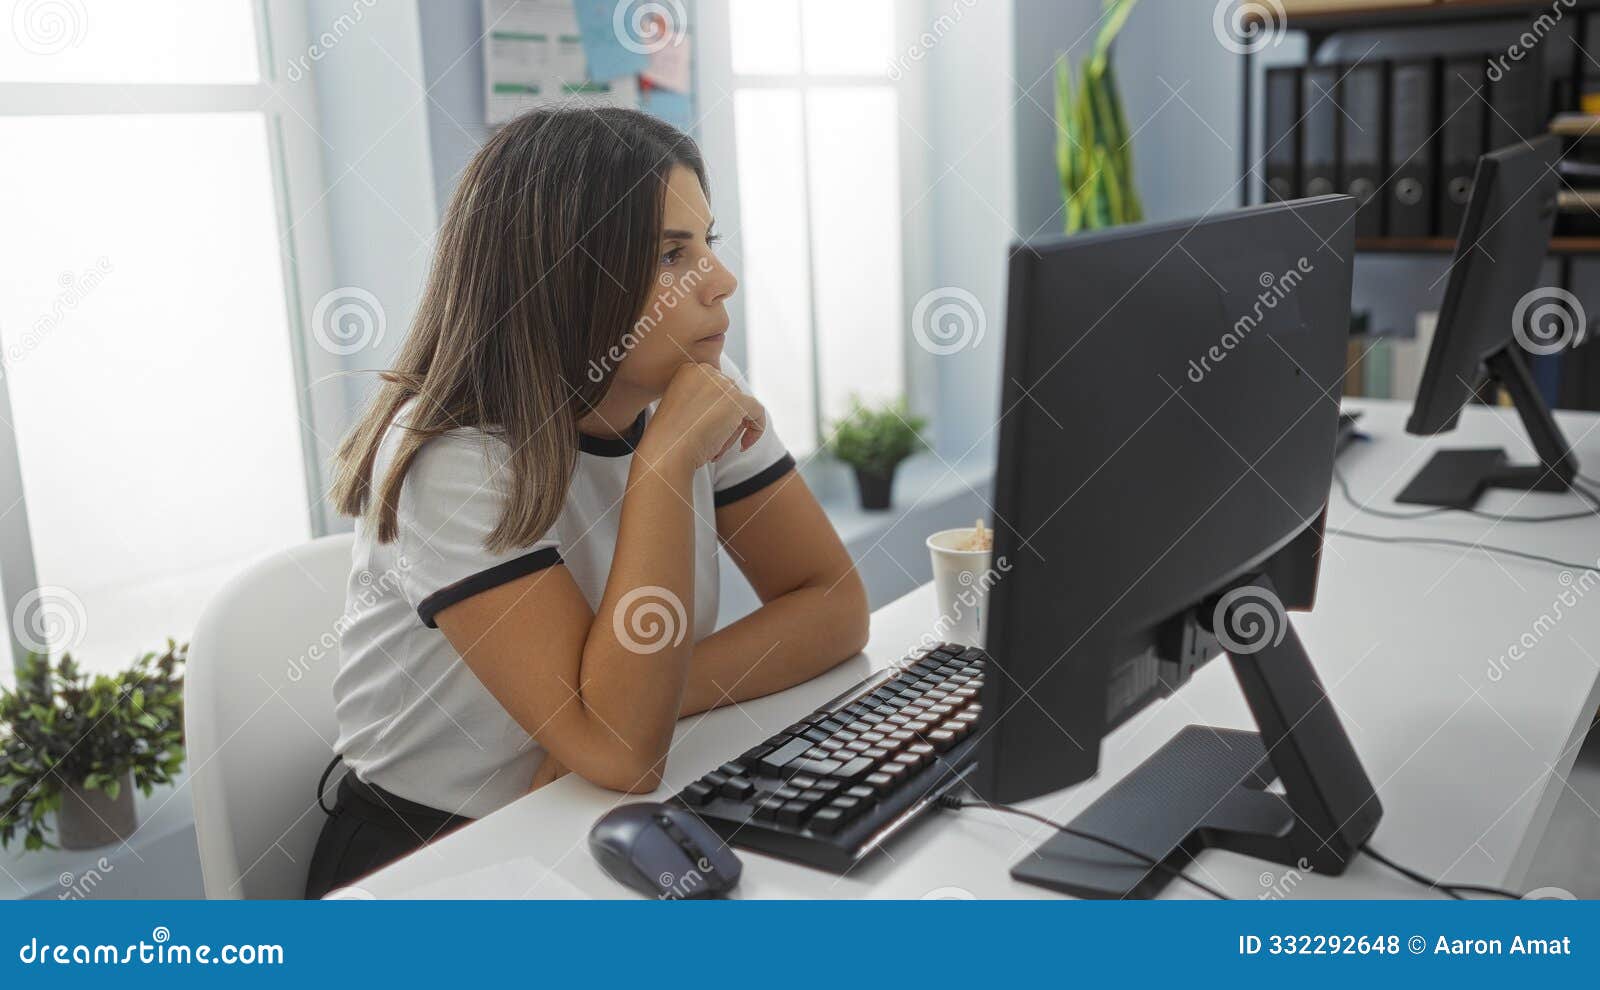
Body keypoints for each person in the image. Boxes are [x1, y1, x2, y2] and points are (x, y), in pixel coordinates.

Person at [304, 107, 871, 898]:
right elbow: (622, 749)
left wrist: (635, 706)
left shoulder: (692, 387)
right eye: (673, 255)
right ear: (566, 277)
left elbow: (834, 605)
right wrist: (666, 465)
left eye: (709, 243)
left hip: (583, 811)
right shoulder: (454, 458)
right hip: (432, 864)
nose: (720, 279)